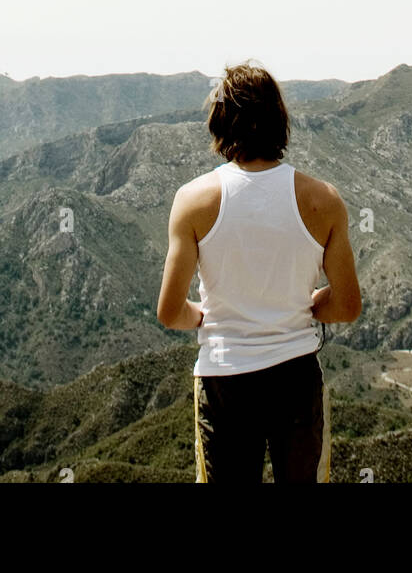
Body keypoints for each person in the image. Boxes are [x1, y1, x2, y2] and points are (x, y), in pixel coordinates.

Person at [155, 61, 362, 483]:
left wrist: (203, 314)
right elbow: (346, 305)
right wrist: (306, 304)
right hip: (296, 376)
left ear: (219, 123)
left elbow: (170, 311)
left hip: (224, 379)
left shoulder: (192, 201)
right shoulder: (323, 200)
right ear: (279, 121)